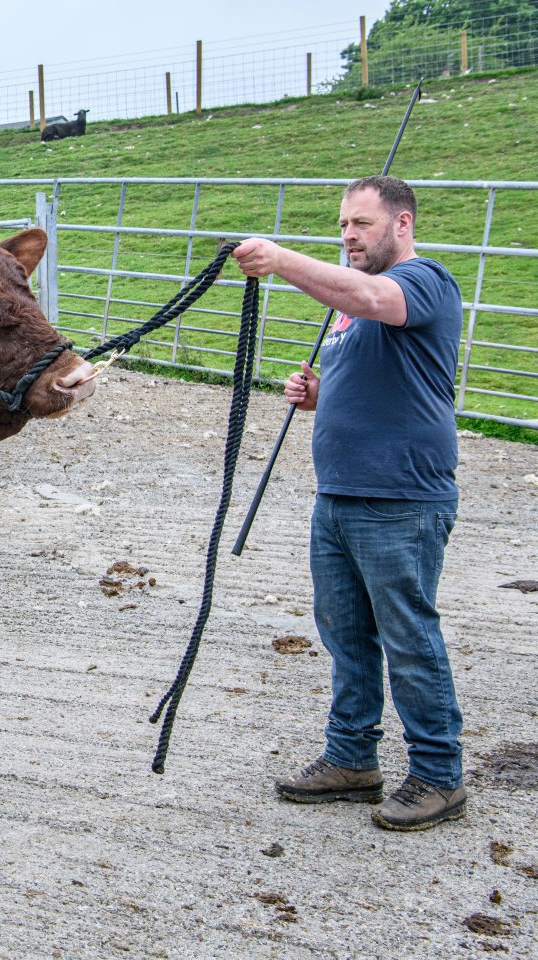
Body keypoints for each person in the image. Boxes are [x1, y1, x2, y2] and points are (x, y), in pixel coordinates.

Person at [232, 175, 466, 831]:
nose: (348, 236)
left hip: (402, 497)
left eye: (361, 223)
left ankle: (439, 774)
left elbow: (371, 297)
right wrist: (319, 396)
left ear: (402, 224)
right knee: (347, 636)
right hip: (339, 493)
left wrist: (281, 260)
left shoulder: (423, 282)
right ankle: (352, 758)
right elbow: (376, 372)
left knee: (409, 637)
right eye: (342, 224)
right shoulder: (351, 312)